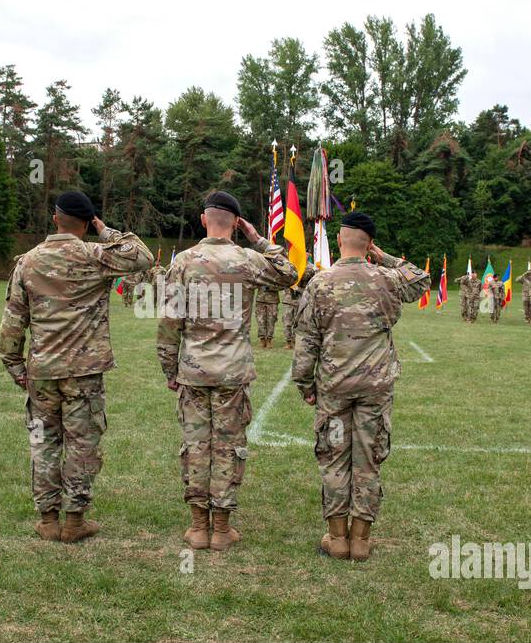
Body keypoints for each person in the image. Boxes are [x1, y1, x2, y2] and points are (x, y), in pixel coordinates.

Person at [0, 190, 153, 543]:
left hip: (41, 371)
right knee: (83, 443)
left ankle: (48, 519)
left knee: (43, 441)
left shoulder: (29, 262)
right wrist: (105, 229)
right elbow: (142, 256)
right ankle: (75, 520)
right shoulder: (95, 255)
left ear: (55, 219)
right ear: (86, 223)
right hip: (83, 372)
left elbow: (13, 321)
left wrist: (14, 365)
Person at [158, 191, 298, 552]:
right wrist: (259, 239)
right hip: (232, 371)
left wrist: (169, 367)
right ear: (236, 222)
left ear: (204, 219)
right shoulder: (248, 260)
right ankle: (221, 529)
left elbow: (169, 321)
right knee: (228, 447)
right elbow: (289, 273)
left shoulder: (184, 262)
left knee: (196, 445)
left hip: (193, 369)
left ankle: (197, 527)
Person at [291, 212, 429, 562]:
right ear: (370, 245)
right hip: (375, 386)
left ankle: (337, 540)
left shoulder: (320, 283)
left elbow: (306, 340)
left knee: (335, 459)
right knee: (368, 459)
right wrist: (385, 258)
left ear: (339, 240)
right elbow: (421, 278)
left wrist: (305, 383)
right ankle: (361, 542)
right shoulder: (387, 278)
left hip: (335, 387)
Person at [283, 265, 316, 348]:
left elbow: (310, 285)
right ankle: (288, 341)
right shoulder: (287, 266)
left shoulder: (309, 269)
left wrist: (298, 288)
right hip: (288, 300)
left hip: (300, 300)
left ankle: (295, 341)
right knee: (287, 322)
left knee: (297, 322)